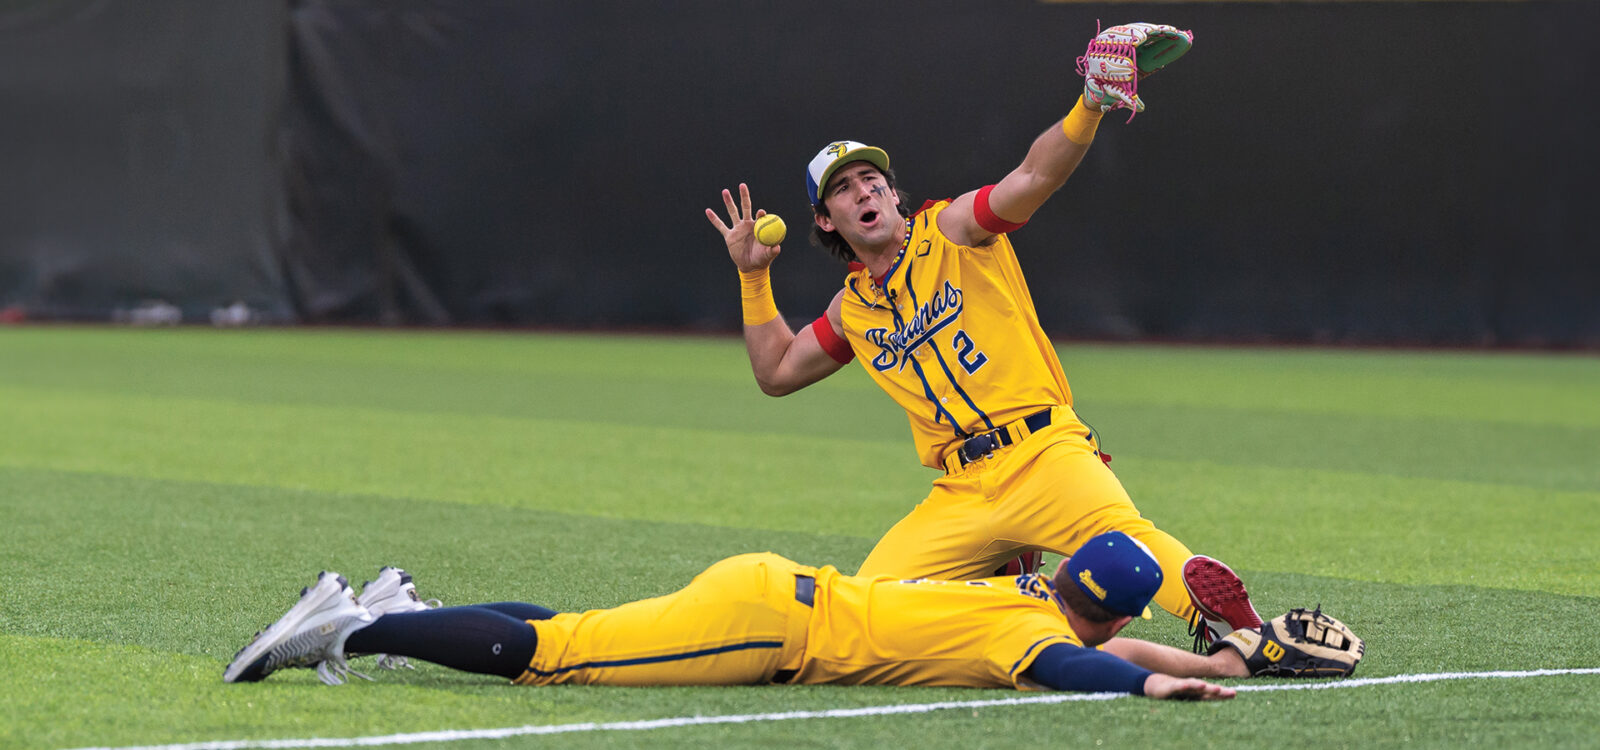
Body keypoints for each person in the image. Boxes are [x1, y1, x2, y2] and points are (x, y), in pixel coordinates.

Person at [703, 23, 1257, 651]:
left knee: (1125, 542)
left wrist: (1090, 105)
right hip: (962, 492)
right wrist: (754, 279)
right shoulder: (852, 308)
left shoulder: (953, 228)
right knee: (863, 610)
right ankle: (1018, 592)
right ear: (827, 220)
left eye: (873, 180)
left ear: (891, 193)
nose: (866, 191)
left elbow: (1032, 178)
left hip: (1045, 453)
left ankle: (1232, 624)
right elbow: (776, 373)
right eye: (845, 188)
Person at [223, 532, 1247, 700]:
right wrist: (1152, 682)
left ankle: (408, 608)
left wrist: (1242, 661)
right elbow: (1079, 669)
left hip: (769, 589)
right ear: (1105, 621)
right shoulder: (1033, 640)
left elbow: (1090, 643)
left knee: (586, 627)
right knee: (559, 658)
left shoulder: (1021, 597)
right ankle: (348, 626)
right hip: (770, 632)